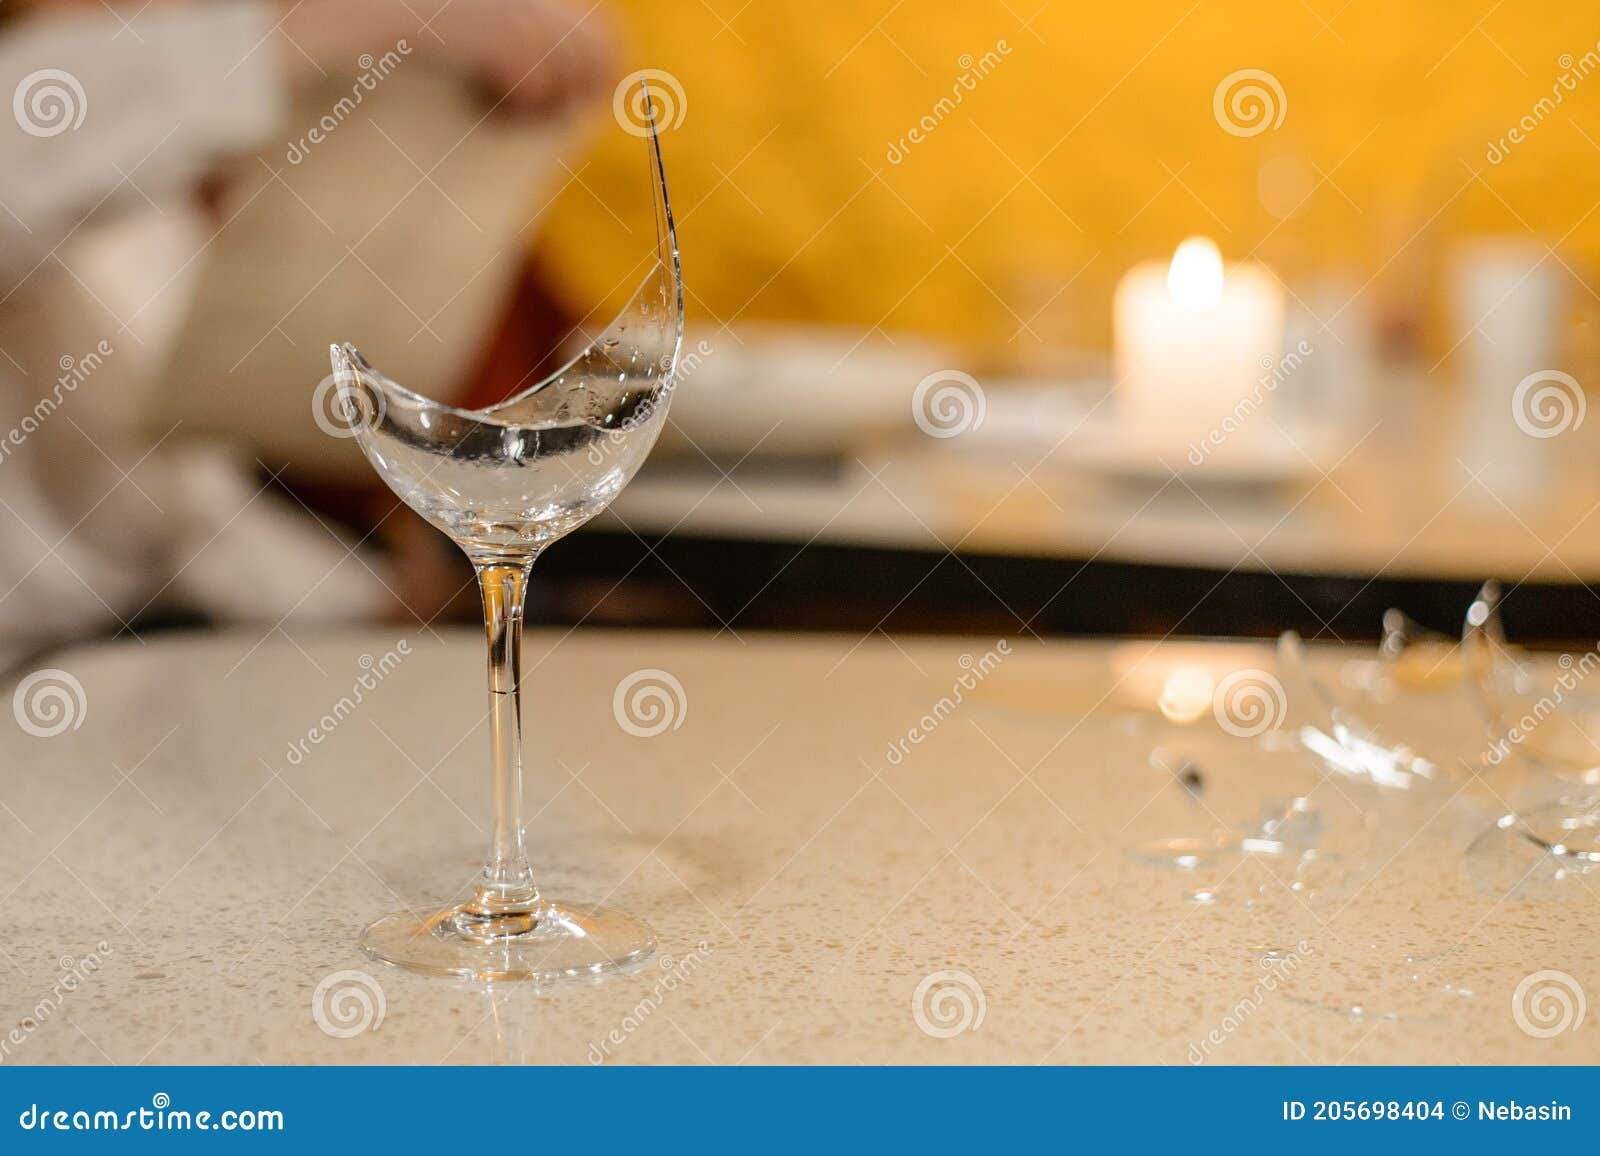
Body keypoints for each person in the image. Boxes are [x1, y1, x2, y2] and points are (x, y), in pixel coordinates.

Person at [0, 0, 616, 671]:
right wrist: (344, 23)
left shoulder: (140, 195)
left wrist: (386, 602)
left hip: (120, 657)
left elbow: (173, 514)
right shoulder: (60, 123)